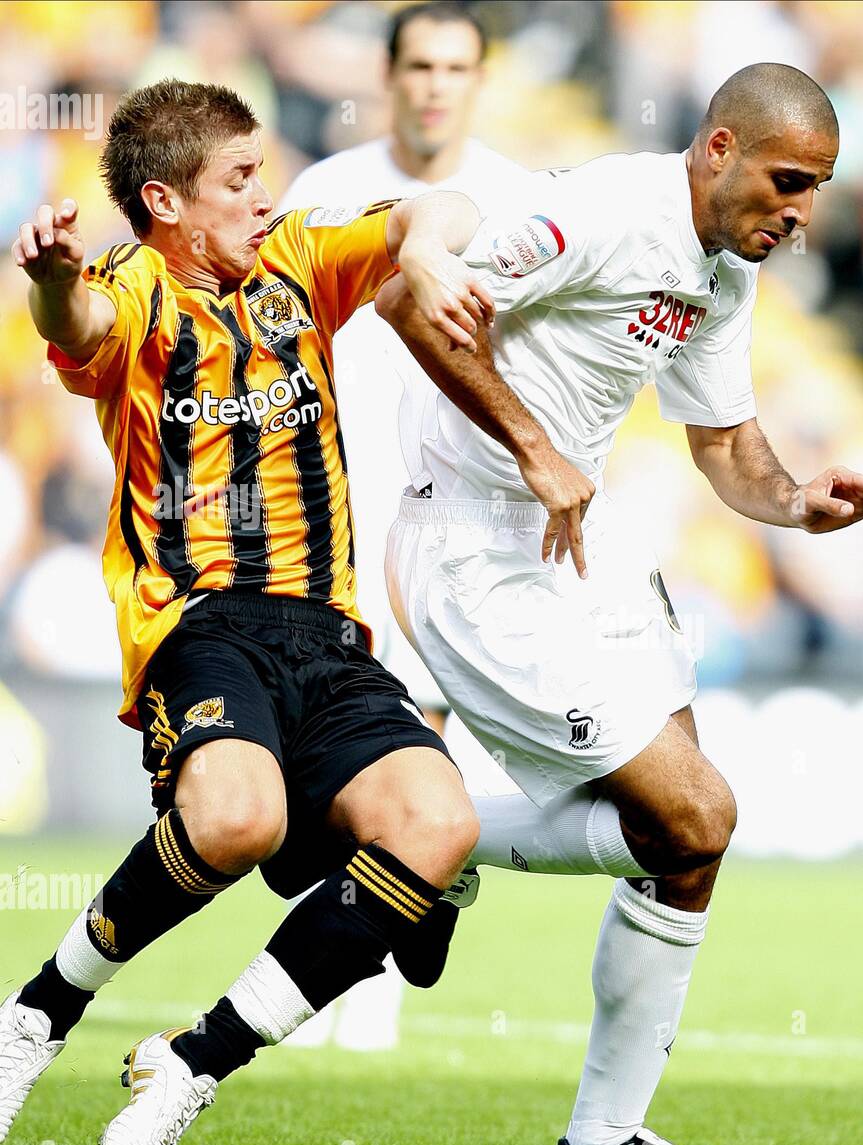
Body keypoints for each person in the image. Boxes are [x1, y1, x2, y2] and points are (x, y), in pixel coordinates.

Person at [130, 63, 863, 1145]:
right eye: (788, 181)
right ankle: (411, 845)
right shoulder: (600, 214)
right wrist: (535, 445)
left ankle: (602, 1133)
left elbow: (722, 444)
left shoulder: (722, 271)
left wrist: (797, 502)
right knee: (698, 809)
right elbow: (407, 305)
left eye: (817, 190)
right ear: (719, 147)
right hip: (474, 555)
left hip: (576, 544)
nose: (799, 212)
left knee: (685, 842)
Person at [0, 77, 488, 1145]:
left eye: (262, 170)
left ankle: (191, 1064)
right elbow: (74, 327)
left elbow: (438, 208)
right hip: (202, 625)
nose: (265, 195)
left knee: (437, 825)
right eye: (238, 179)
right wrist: (47, 283)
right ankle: (36, 1013)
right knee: (236, 816)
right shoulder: (125, 295)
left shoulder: (299, 262)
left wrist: (426, 248)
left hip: (327, 629)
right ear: (166, 202)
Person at [275, 1, 532, 1053]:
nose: (435, 84)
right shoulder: (327, 192)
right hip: (339, 505)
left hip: (467, 508)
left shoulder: (521, 199)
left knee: (419, 735)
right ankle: (415, 904)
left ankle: (372, 961)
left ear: (479, 79)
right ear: (389, 74)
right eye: (418, 64)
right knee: (337, 755)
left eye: (454, 67)